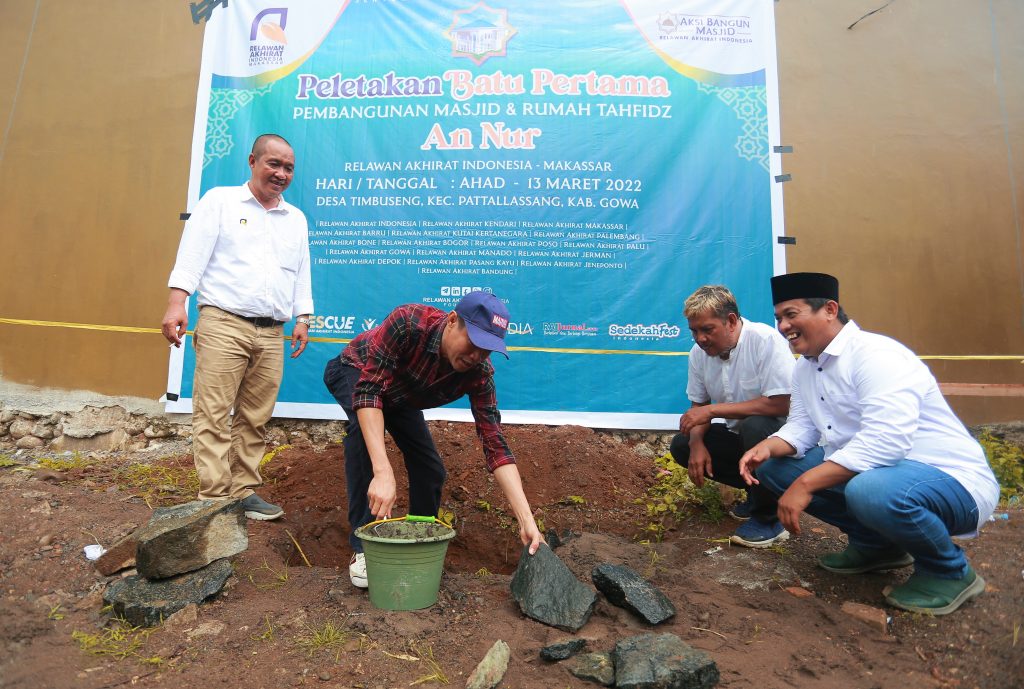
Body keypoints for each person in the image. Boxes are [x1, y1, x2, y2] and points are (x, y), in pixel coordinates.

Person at [739, 272, 998, 615]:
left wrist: (807, 483)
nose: (784, 326)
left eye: (791, 314)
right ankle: (878, 547)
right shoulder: (805, 369)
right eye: (779, 318)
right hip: (880, 477)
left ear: (829, 310)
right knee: (776, 469)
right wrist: (768, 446)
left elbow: (885, 441)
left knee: (868, 489)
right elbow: (802, 426)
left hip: (952, 482)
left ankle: (949, 572)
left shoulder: (876, 355)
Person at [323, 291, 543, 588]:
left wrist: (525, 518)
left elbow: (495, 446)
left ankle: (417, 543)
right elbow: (369, 392)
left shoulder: (479, 375)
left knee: (430, 469)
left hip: (400, 398)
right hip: (356, 371)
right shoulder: (409, 323)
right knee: (363, 440)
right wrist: (384, 471)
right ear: (453, 321)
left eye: (487, 350)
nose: (477, 356)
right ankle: (365, 549)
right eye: (475, 343)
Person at [161, 134, 313, 520]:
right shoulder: (220, 201)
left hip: (271, 331)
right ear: (253, 161)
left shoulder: (295, 219)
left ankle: (243, 491)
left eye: (288, 168)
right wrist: (177, 302)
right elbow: (191, 255)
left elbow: (300, 273)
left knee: (256, 416)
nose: (280, 173)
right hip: (223, 322)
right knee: (213, 412)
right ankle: (214, 499)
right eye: (273, 164)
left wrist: (303, 317)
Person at [669, 285, 795, 547]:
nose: (700, 339)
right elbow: (698, 409)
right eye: (694, 331)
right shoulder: (698, 355)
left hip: (784, 441)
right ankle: (757, 492)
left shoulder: (765, 340)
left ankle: (770, 518)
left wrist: (713, 410)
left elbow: (781, 405)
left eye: (707, 329)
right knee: (681, 445)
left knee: (756, 426)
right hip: (742, 439)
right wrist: (696, 445)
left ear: (731, 321)